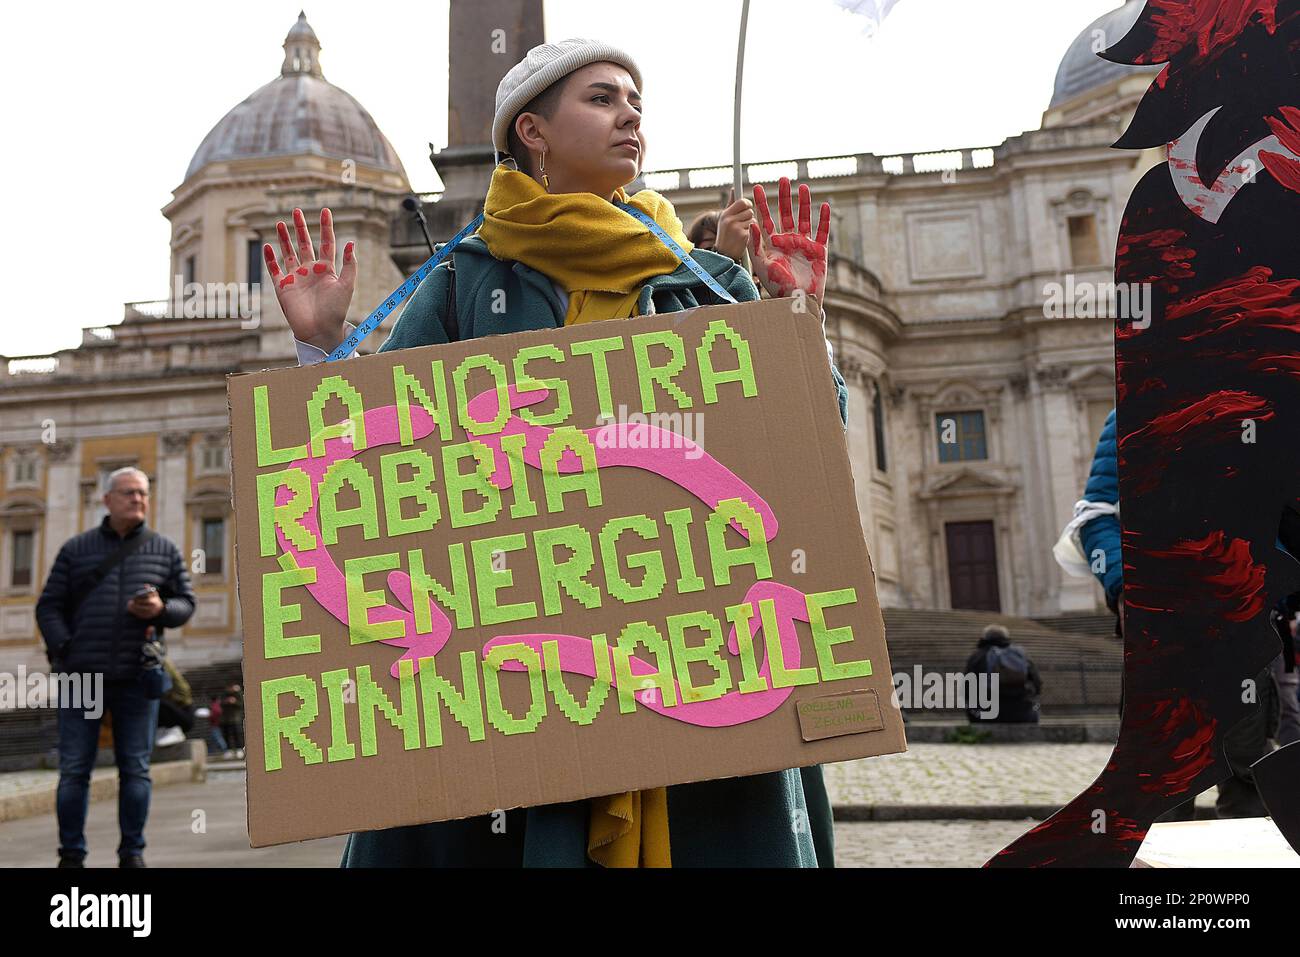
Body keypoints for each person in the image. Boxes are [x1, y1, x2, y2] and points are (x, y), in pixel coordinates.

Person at [266, 38, 847, 868]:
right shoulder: (461, 283)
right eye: (603, 98)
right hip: (520, 681)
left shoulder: (711, 280)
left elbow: (809, 453)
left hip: (699, 654)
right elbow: (375, 483)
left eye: (635, 100)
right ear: (532, 131)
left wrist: (804, 329)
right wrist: (324, 351)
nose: (631, 115)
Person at [35, 466, 197, 868]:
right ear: (107, 500)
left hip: (137, 677)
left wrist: (161, 609)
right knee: (74, 770)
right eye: (129, 493)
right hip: (81, 677)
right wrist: (66, 648)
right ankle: (71, 857)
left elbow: (185, 604)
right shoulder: (76, 549)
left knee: (137, 770)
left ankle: (132, 855)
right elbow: (49, 606)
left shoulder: (164, 549)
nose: (138, 499)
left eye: (143, 493)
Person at [964, 624, 1042, 723]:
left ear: (984, 638)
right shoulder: (1020, 655)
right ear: (1006, 637)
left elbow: (967, 689)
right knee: (1035, 705)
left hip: (987, 715)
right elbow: (1037, 683)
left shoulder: (977, 656)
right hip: (1024, 714)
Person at [219, 683, 244, 760]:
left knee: (237, 734)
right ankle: (229, 751)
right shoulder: (224, 695)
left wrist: (235, 700)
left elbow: (242, 704)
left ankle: (239, 750)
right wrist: (227, 701)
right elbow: (220, 703)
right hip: (225, 719)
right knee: (226, 735)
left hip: (235, 719)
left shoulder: (238, 694)